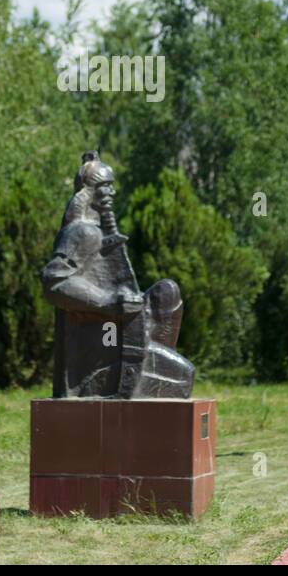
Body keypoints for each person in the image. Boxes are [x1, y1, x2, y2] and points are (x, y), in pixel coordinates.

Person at [40, 152, 193, 399]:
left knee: (168, 291)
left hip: (119, 330)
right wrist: (108, 301)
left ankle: (144, 356)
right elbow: (53, 282)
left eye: (112, 186)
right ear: (89, 191)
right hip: (103, 343)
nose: (111, 193)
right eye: (105, 186)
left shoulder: (98, 231)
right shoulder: (82, 232)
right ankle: (127, 378)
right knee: (183, 376)